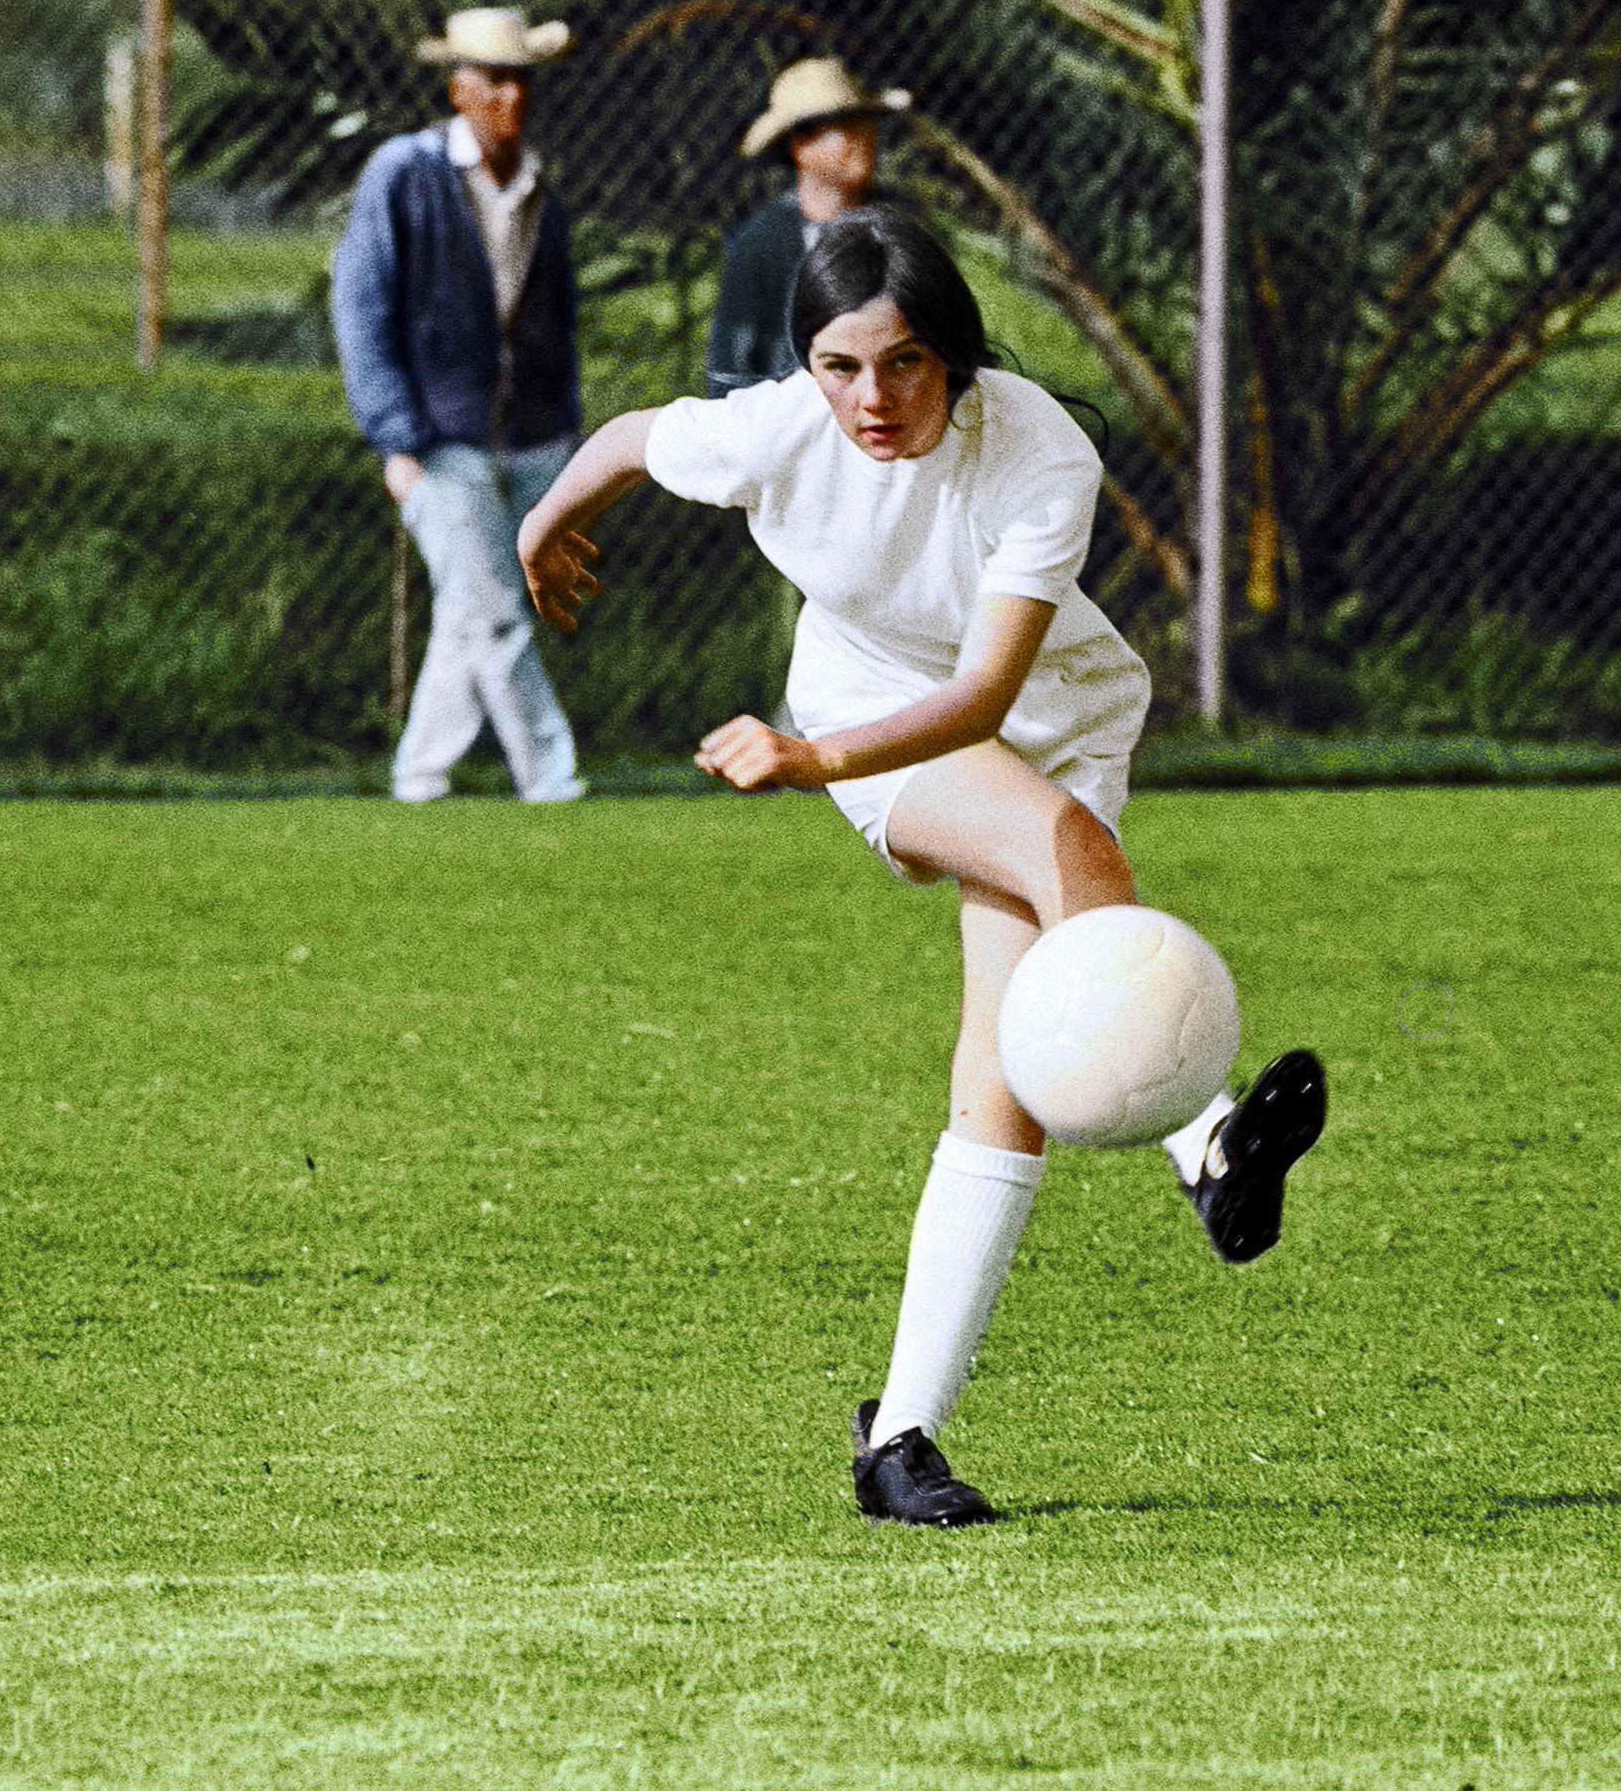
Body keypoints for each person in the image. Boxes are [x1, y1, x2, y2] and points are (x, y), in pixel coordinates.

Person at [520, 205, 1327, 1528]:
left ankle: (898, 1440)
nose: (871, 397)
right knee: (1067, 852)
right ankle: (1205, 1138)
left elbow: (986, 691)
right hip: (868, 716)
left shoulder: (1035, 451)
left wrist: (803, 762)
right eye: (839, 366)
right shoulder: (778, 426)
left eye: (902, 364)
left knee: (1004, 1080)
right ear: (808, 365)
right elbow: (625, 440)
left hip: (1039, 723)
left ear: (953, 356)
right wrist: (544, 525)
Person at [332, 6, 588, 805]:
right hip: (439, 439)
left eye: (521, 81)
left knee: (468, 617)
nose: (510, 96)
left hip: (534, 435)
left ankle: (419, 776)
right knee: (495, 611)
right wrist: (394, 439)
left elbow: (555, 316)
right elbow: (360, 306)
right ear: (457, 89)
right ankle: (552, 776)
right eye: (494, 81)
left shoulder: (539, 183)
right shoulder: (403, 174)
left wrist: (567, 425)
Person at [704, 56, 909, 396]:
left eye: (865, 122)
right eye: (843, 128)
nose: (863, 139)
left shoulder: (899, 225)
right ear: (801, 146)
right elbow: (729, 369)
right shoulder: (763, 242)